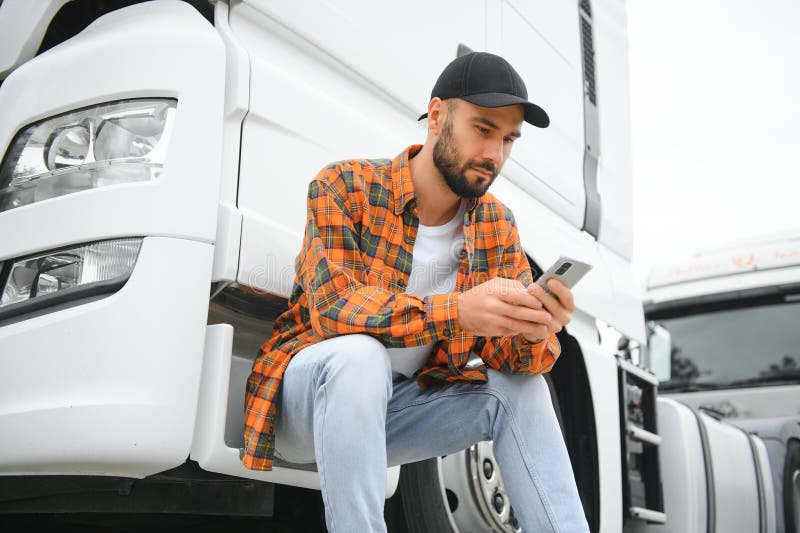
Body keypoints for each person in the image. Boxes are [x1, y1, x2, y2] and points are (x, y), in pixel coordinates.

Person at [242, 51, 590, 532]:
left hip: (397, 414)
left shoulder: (496, 223)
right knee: (359, 357)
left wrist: (534, 329)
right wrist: (459, 312)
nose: (495, 155)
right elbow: (334, 309)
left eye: (508, 140)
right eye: (483, 129)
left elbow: (508, 358)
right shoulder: (344, 186)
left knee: (523, 391)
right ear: (438, 115)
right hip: (308, 405)